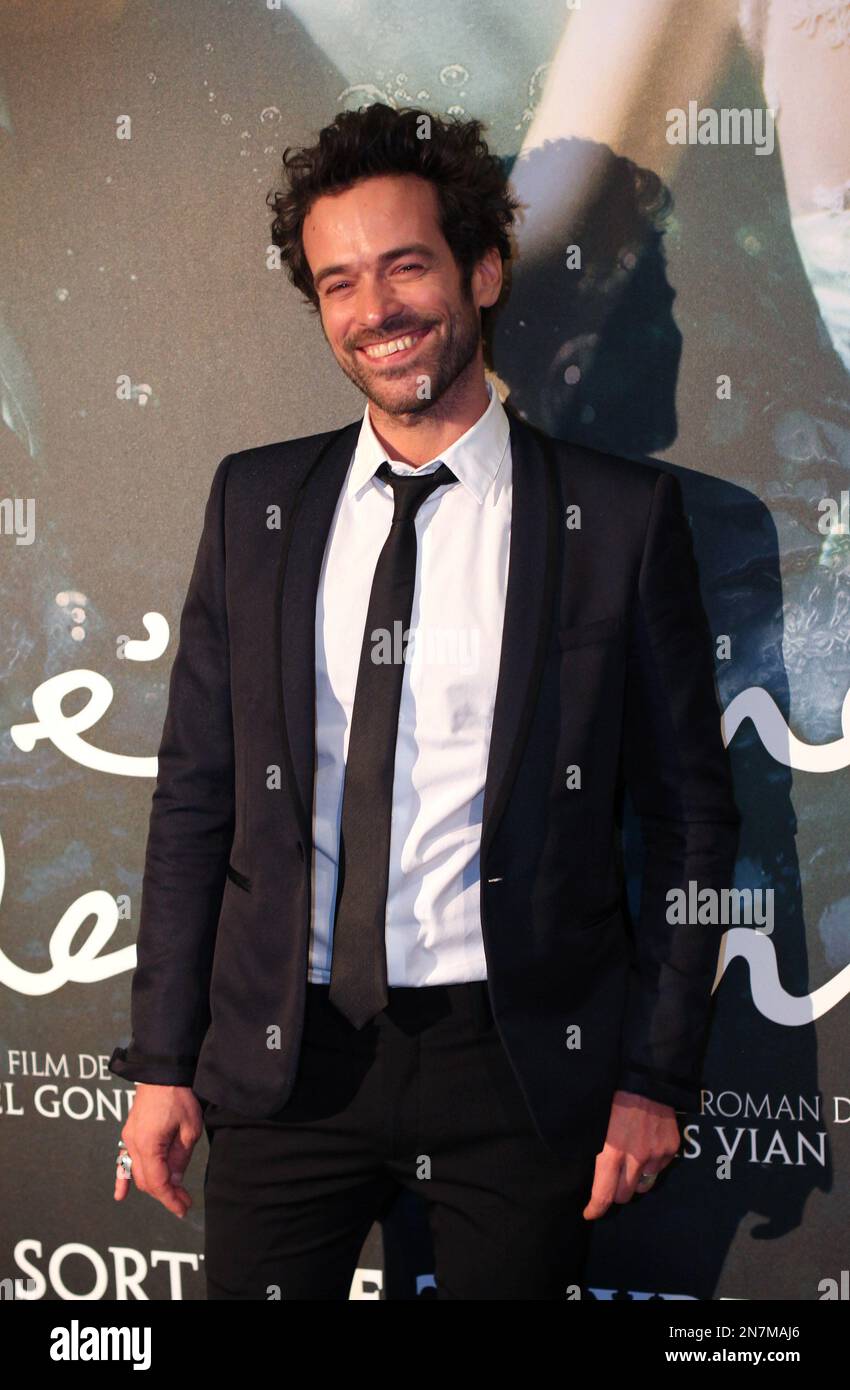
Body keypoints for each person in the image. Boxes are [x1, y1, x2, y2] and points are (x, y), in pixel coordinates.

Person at [108, 103, 741, 1300]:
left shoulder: (612, 520)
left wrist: (655, 1076)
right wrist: (160, 1060)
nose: (377, 309)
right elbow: (194, 796)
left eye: (407, 265)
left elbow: (691, 823)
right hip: (285, 1062)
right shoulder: (256, 504)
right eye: (340, 282)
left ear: (482, 270)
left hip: (513, 1066)